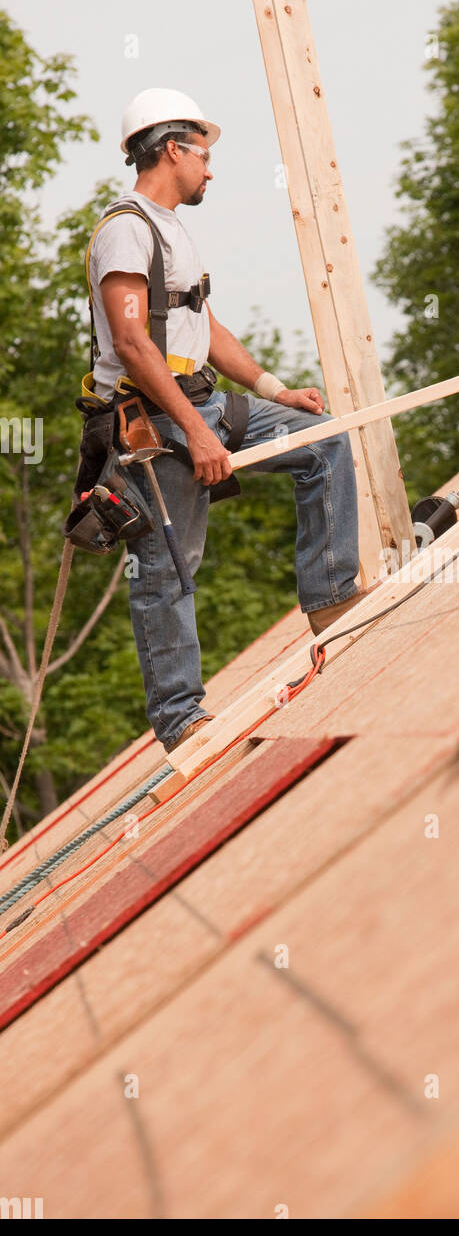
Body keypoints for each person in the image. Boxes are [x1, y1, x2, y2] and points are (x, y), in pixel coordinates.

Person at [86, 88, 365, 751]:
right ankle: (183, 722)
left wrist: (274, 389)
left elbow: (203, 328)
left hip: (199, 402)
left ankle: (328, 598)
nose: (210, 170)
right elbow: (131, 343)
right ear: (173, 149)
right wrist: (200, 430)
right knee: (168, 566)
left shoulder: (172, 230)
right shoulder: (126, 228)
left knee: (321, 442)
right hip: (149, 422)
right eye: (203, 156)